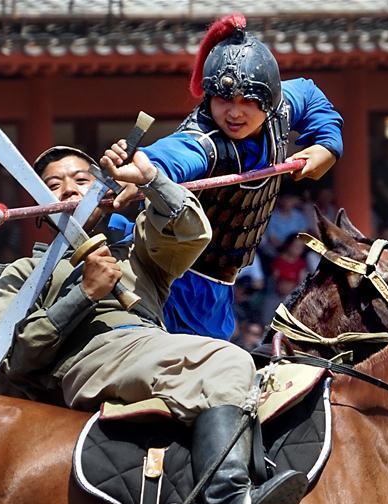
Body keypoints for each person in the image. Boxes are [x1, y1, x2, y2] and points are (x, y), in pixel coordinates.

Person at [0, 142, 308, 504]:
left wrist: (152, 180)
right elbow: (15, 359)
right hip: (88, 361)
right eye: (53, 185)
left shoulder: (137, 252)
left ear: (104, 190)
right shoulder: (23, 274)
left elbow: (191, 233)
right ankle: (229, 502)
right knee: (227, 357)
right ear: (39, 203)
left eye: (81, 180)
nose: (69, 190)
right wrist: (83, 295)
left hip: (152, 345)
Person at [114, 13, 343, 341]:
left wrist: (328, 144)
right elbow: (170, 157)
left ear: (270, 101)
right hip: (177, 281)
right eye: (224, 100)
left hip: (220, 285)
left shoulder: (281, 109)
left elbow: (309, 93)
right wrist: (141, 171)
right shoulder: (202, 141)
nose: (235, 113)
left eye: (248, 101)